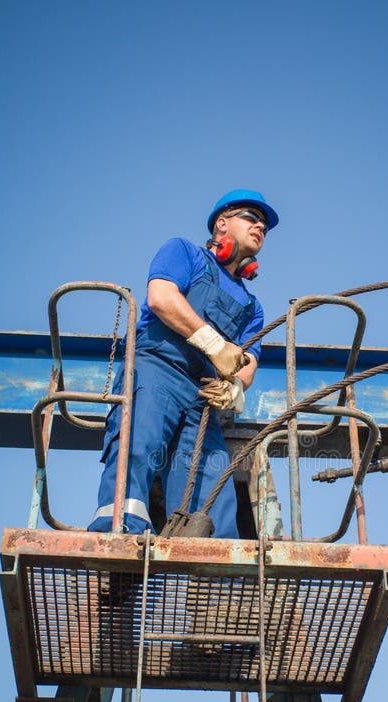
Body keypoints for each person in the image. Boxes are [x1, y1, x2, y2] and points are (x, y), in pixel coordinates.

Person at [88, 189, 279, 538]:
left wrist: (236, 386)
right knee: (138, 446)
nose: (261, 226)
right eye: (252, 218)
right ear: (222, 224)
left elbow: (248, 361)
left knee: (212, 483)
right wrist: (214, 343)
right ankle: (118, 536)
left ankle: (217, 577)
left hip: (202, 397)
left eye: (265, 225)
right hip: (156, 368)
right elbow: (161, 297)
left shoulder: (253, 308)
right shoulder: (184, 253)